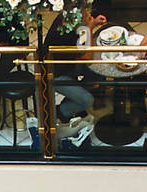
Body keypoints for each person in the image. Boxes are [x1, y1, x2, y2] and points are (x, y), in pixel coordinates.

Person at [43, 0, 112, 130]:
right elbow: (87, 58)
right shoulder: (73, 25)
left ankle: (85, 90)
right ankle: (62, 111)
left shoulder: (70, 17)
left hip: (69, 63)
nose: (88, 15)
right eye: (85, 12)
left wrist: (91, 23)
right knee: (88, 100)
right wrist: (89, 27)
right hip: (55, 73)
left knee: (99, 70)